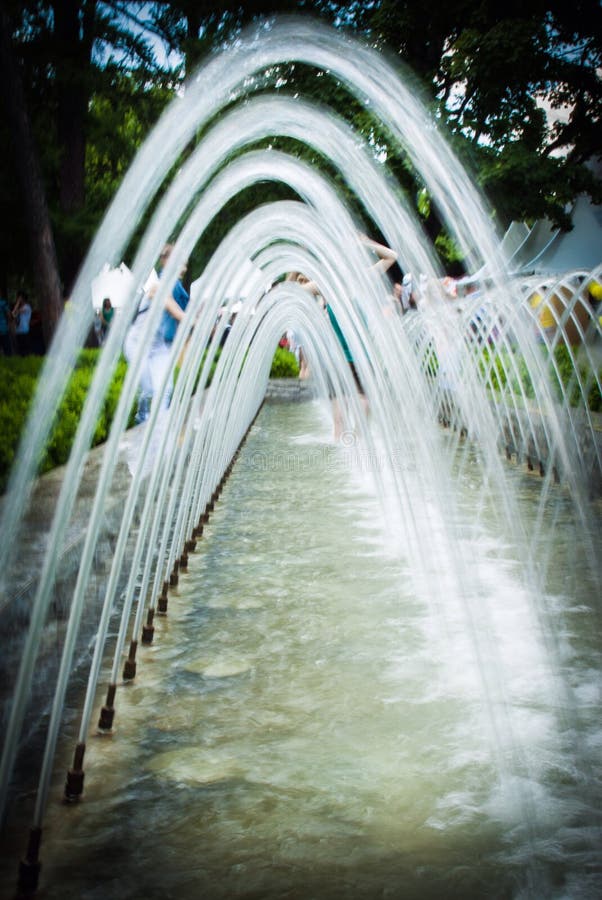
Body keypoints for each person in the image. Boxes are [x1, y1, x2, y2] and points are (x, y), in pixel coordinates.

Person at [124, 244, 189, 424]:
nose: (184, 268)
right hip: (137, 344)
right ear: (166, 262)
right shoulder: (156, 287)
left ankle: (158, 427)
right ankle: (142, 418)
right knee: (148, 388)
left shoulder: (174, 288)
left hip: (159, 347)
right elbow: (176, 312)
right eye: (181, 264)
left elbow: (181, 311)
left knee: (166, 389)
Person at [12, 290, 32, 356]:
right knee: (20, 351)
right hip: (19, 331)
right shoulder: (21, 308)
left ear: (22, 298)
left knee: (25, 351)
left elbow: (14, 312)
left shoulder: (27, 307)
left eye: (19, 298)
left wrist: (18, 302)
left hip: (24, 331)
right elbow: (13, 314)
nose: (17, 299)